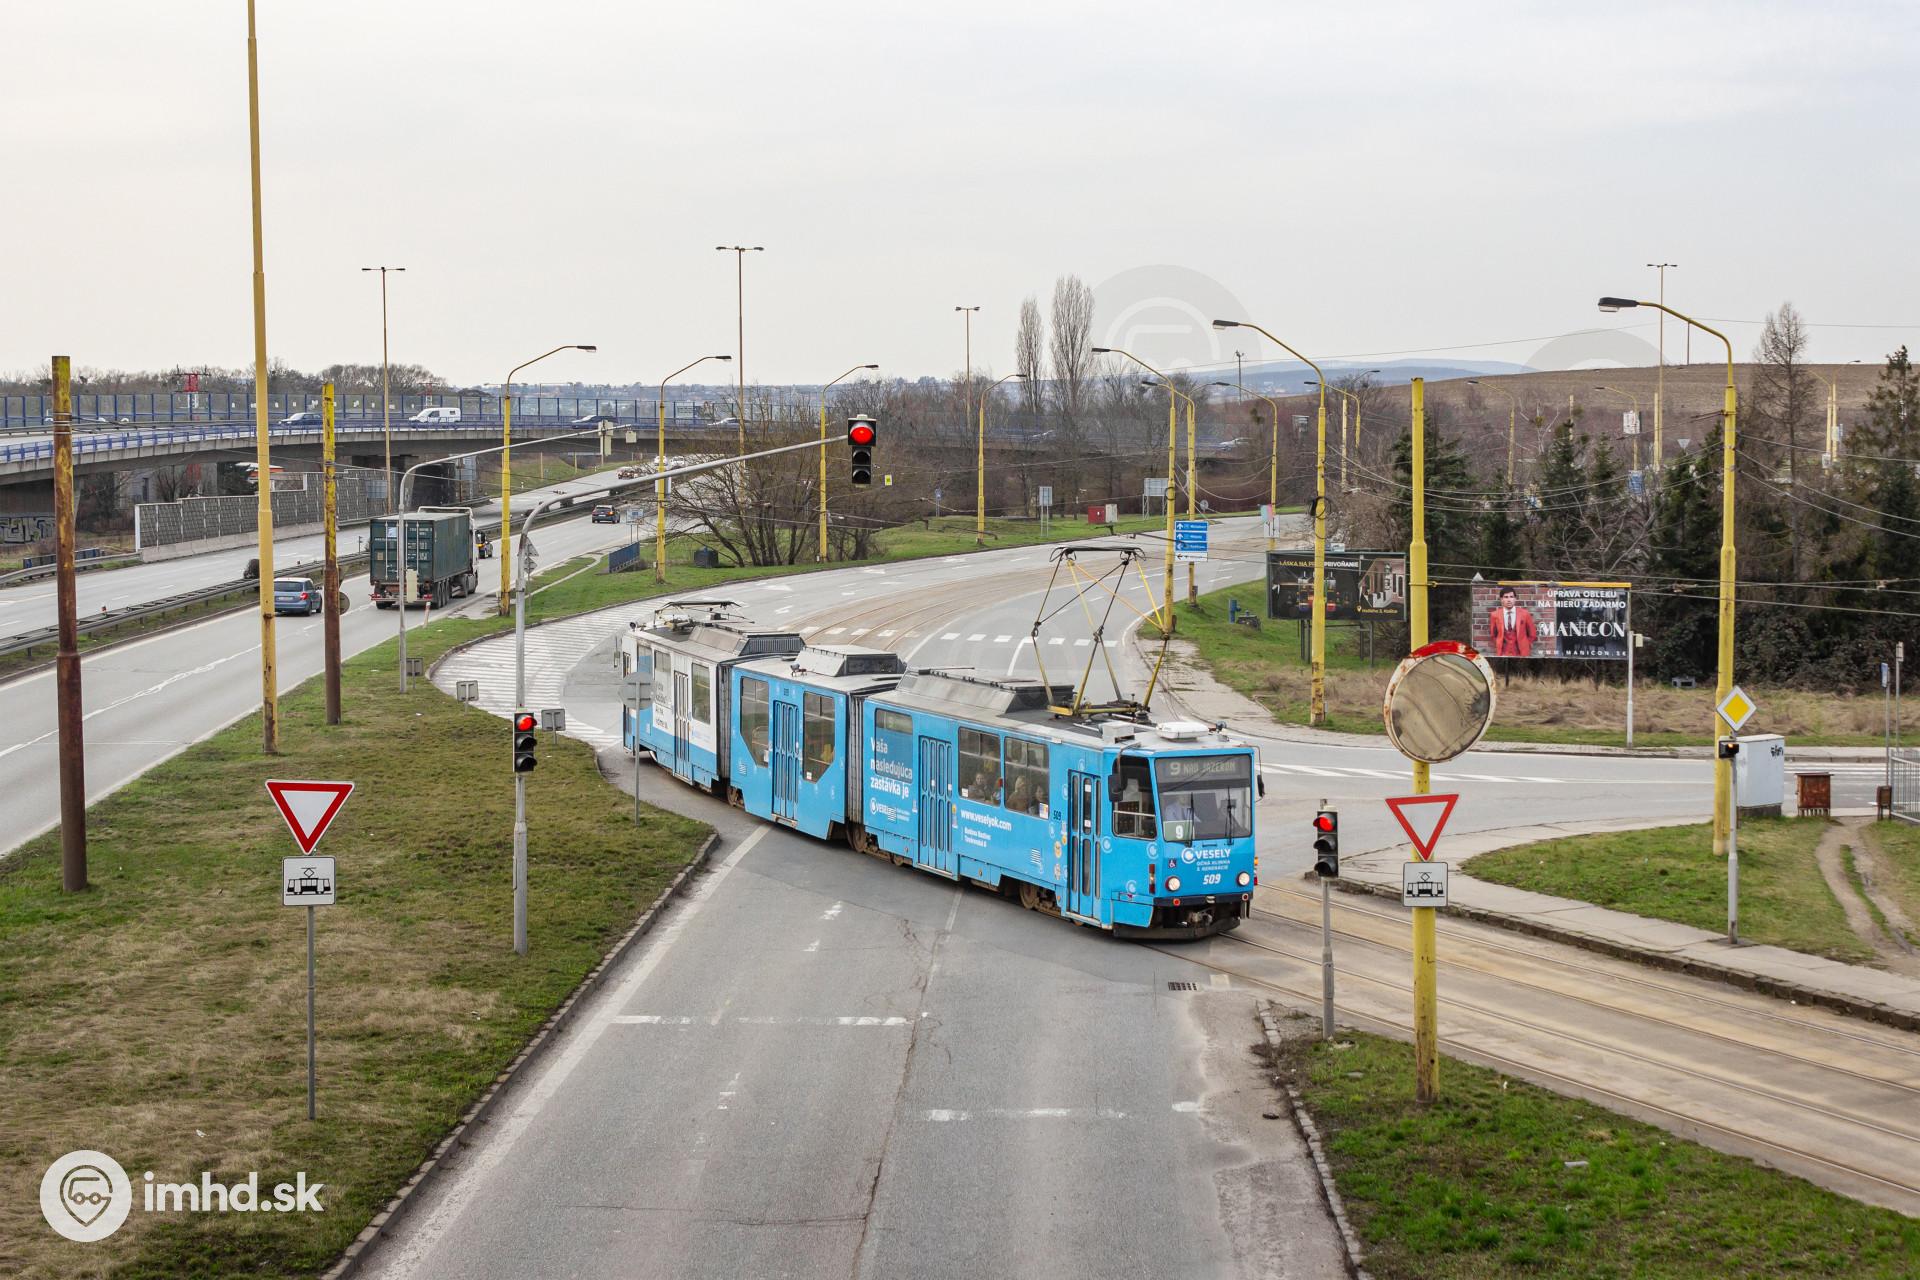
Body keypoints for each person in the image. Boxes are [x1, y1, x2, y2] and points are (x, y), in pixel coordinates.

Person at [1488, 586, 1537, 658]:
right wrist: (1499, 643)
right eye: (1506, 597)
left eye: (1511, 597)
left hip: (1521, 653)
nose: (1509, 599)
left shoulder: (1525, 614)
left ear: (1515, 599)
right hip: (1502, 653)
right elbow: (1493, 635)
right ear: (1501, 599)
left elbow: (1532, 634)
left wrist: (1525, 644)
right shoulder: (1495, 615)